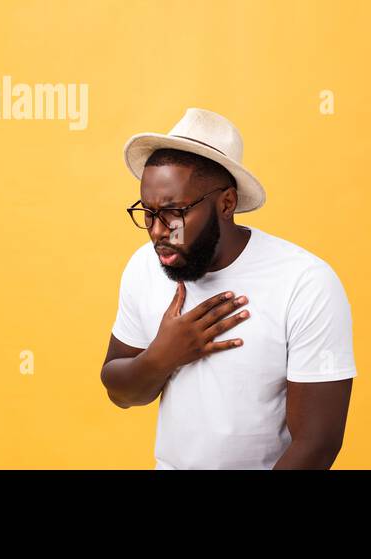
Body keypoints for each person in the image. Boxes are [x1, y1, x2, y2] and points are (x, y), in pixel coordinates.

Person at [100, 108, 356, 469]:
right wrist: (161, 357)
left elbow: (318, 443)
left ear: (226, 203)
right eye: (148, 212)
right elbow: (120, 392)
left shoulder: (304, 282)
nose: (158, 231)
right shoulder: (144, 267)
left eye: (174, 212)